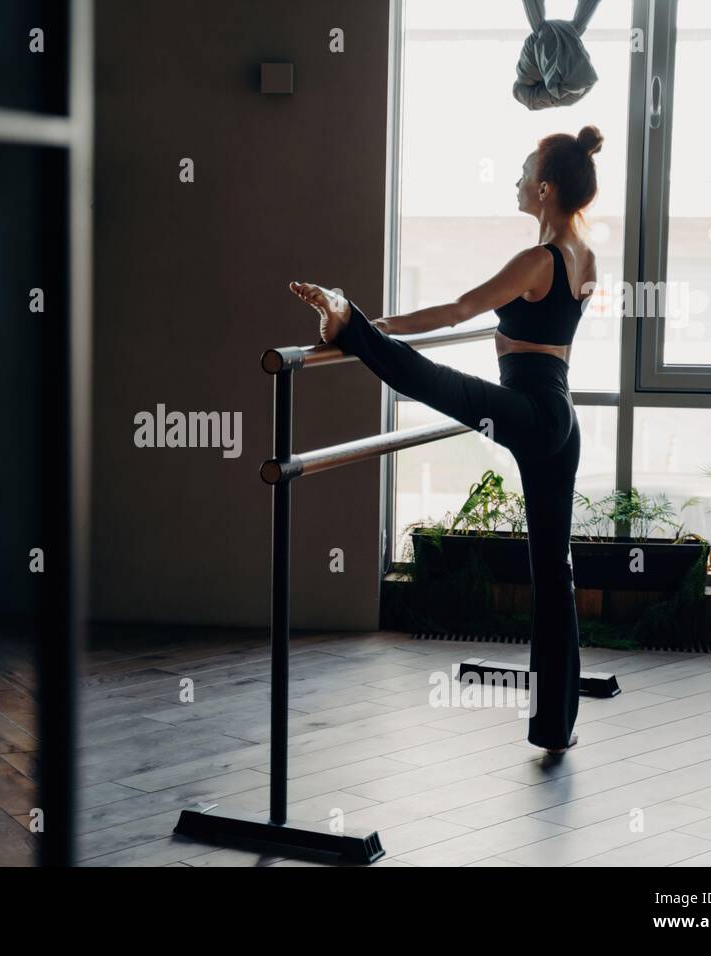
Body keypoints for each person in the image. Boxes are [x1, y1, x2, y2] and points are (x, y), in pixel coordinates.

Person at [289, 125, 604, 754]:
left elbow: (459, 310)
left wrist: (372, 327)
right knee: (553, 570)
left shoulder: (537, 261)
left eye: (523, 174)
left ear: (544, 189)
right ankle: (555, 727)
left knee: (434, 383)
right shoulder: (584, 257)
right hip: (558, 418)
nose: (515, 182)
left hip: (534, 410)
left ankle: (346, 319)